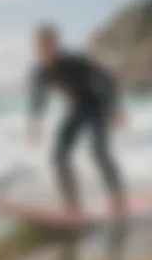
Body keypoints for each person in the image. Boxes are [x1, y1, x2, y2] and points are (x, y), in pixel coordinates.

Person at [27, 23, 126, 220]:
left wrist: (114, 109)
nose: (44, 48)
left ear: (56, 43)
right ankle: (72, 205)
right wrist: (35, 123)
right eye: (40, 44)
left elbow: (109, 79)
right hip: (77, 109)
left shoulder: (75, 62)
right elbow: (38, 98)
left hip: (98, 105)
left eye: (47, 43)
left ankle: (117, 198)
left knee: (99, 152)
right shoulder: (41, 72)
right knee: (59, 157)